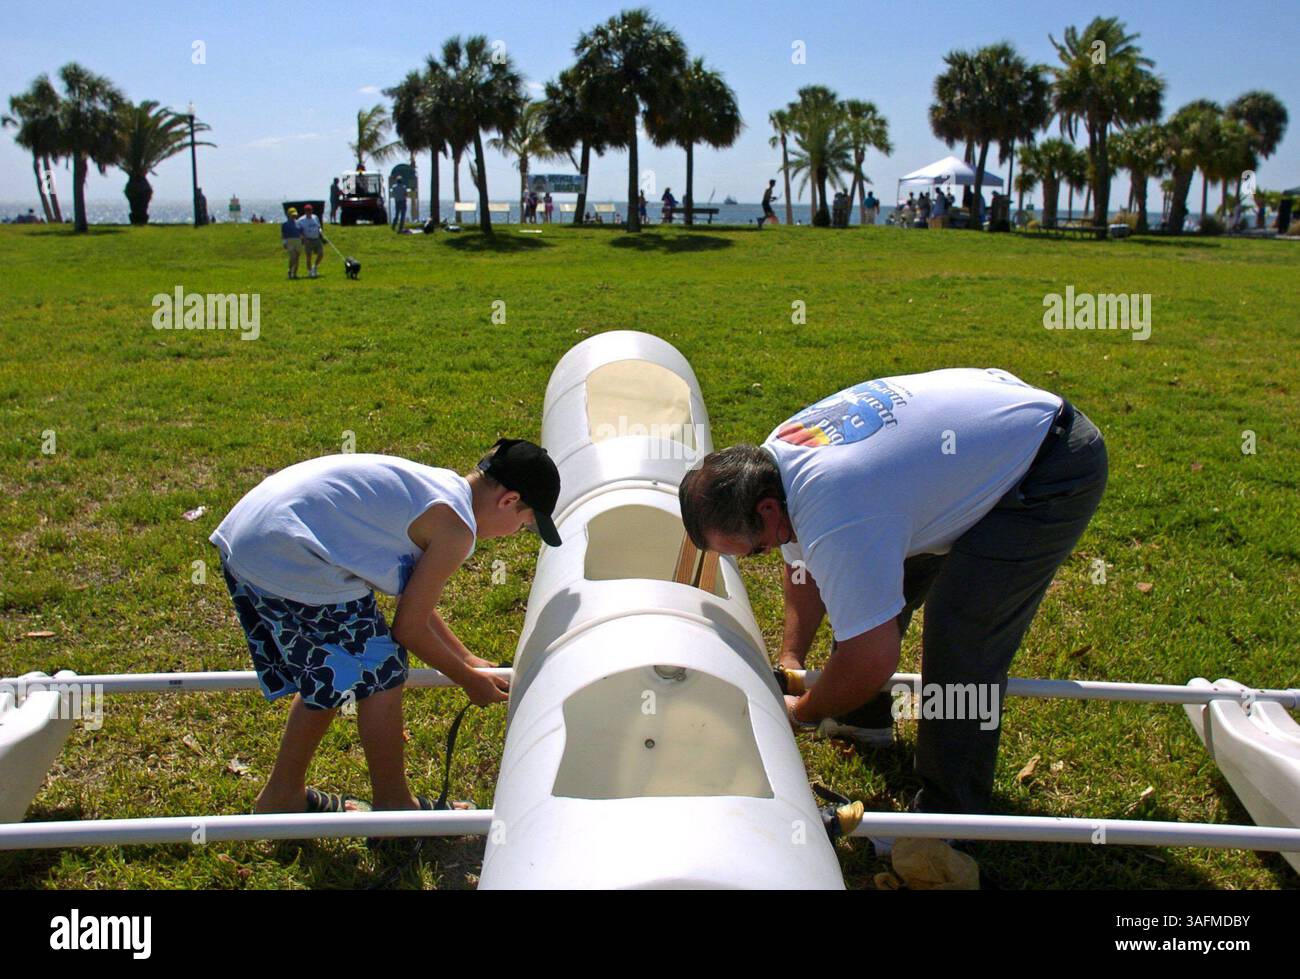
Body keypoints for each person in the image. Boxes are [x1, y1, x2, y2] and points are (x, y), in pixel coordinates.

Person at [679, 369, 1107, 825]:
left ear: (766, 509)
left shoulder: (835, 507)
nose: (763, 555)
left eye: (755, 548)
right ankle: (864, 719)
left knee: (961, 633)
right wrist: (791, 660)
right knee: (869, 585)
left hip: (1049, 466)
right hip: (978, 444)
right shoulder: (775, 463)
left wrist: (803, 711)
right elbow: (801, 565)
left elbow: (871, 658)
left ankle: (951, 819)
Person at [209, 440, 562, 814]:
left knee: (343, 671)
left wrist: (467, 657)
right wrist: (468, 680)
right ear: (509, 500)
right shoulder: (456, 529)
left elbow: (413, 603)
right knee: (378, 668)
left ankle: (284, 795)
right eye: (524, 525)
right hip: (289, 551)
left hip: (252, 534)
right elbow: (408, 629)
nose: (514, 533)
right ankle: (391, 804)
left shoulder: (438, 491)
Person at [297, 204, 324, 278]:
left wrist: (320, 231)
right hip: (308, 240)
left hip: (316, 238)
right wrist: (303, 238)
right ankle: (309, 272)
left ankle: (314, 267)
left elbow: (319, 226)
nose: (309, 212)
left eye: (310, 210)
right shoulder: (301, 220)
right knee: (309, 256)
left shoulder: (315, 217)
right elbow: (299, 230)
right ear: (305, 211)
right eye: (307, 210)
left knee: (321, 254)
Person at [280, 207, 303, 279]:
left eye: (294, 215)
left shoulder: (298, 223)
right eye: (292, 215)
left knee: (297, 257)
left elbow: (301, 232)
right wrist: (284, 242)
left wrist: (303, 239)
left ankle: (295, 273)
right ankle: (290, 270)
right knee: (293, 256)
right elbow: (283, 234)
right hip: (289, 241)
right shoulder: (285, 224)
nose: (294, 217)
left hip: (298, 241)